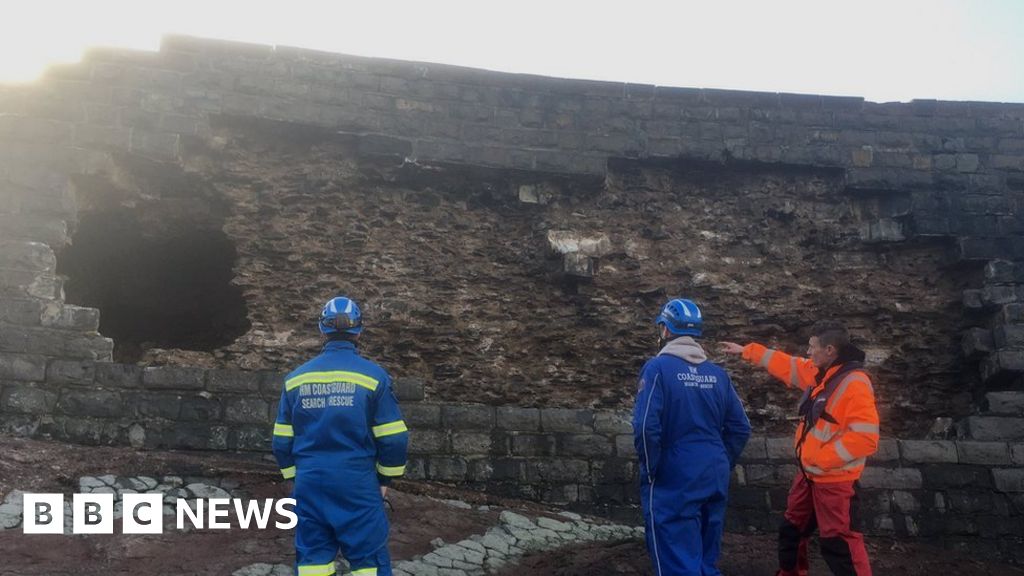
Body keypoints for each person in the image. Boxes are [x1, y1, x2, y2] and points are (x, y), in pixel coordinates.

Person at [720, 320, 879, 576]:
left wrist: (819, 459)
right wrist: (747, 351)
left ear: (829, 350)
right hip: (810, 476)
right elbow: (789, 365)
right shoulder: (823, 373)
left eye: (812, 347)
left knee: (839, 545)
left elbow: (866, 439)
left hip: (835, 481)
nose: (807, 352)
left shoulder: (855, 383)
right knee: (791, 530)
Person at [272, 296, 409, 576]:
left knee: (312, 562)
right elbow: (394, 438)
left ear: (322, 329)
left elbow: (281, 439)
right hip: (357, 484)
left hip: (310, 481)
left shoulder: (295, 379)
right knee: (368, 562)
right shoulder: (374, 377)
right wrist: (384, 479)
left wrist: (294, 477)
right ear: (358, 331)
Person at [633, 298, 751, 576]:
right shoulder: (718, 374)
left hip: (674, 473)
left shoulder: (657, 369)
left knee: (675, 557)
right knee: (705, 558)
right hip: (714, 470)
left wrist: (651, 469)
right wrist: (722, 460)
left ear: (665, 329)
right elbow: (741, 427)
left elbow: (645, 427)